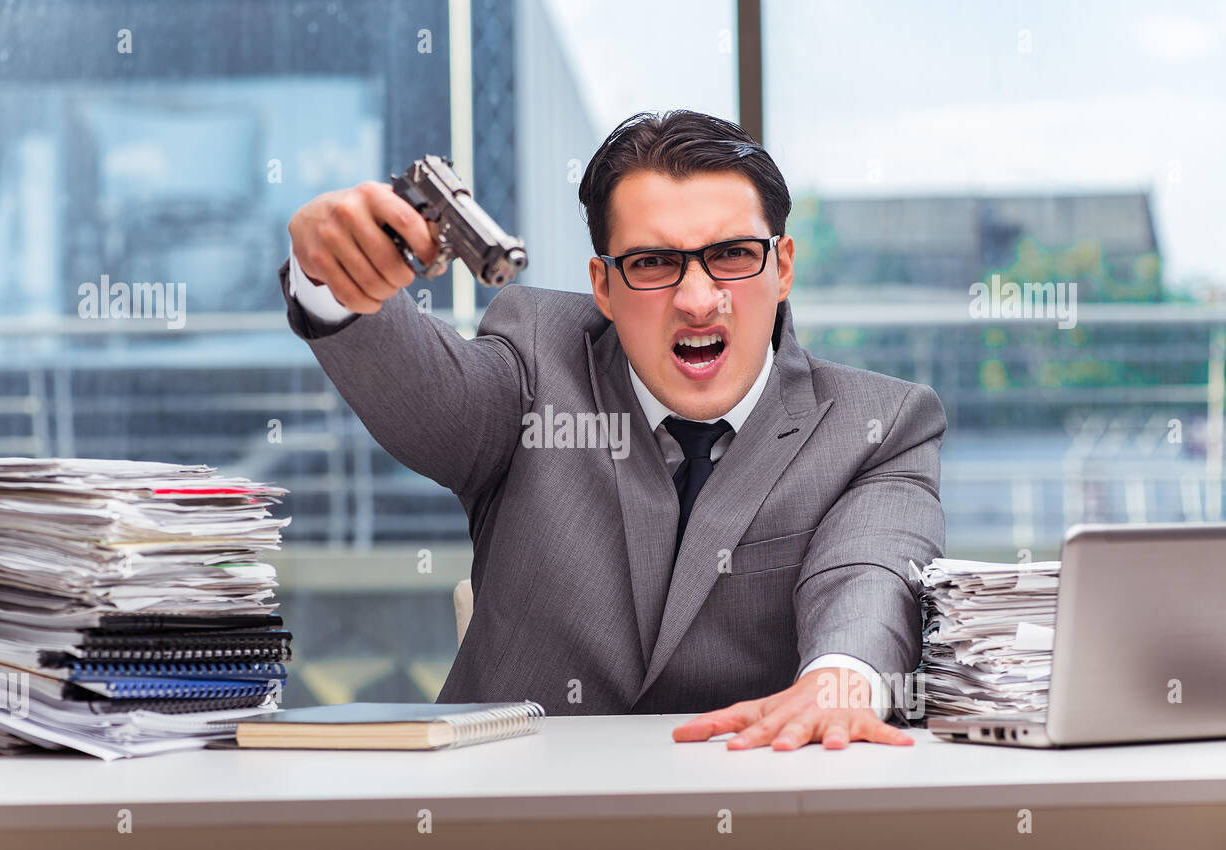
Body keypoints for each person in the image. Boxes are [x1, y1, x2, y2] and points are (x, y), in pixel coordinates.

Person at [278, 109, 946, 750]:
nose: (696, 299)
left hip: (752, 819)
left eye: (734, 255)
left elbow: (871, 575)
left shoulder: (879, 426)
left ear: (784, 267)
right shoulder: (537, 364)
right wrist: (330, 278)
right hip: (510, 823)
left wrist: (840, 679)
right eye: (654, 263)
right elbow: (424, 395)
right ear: (603, 284)